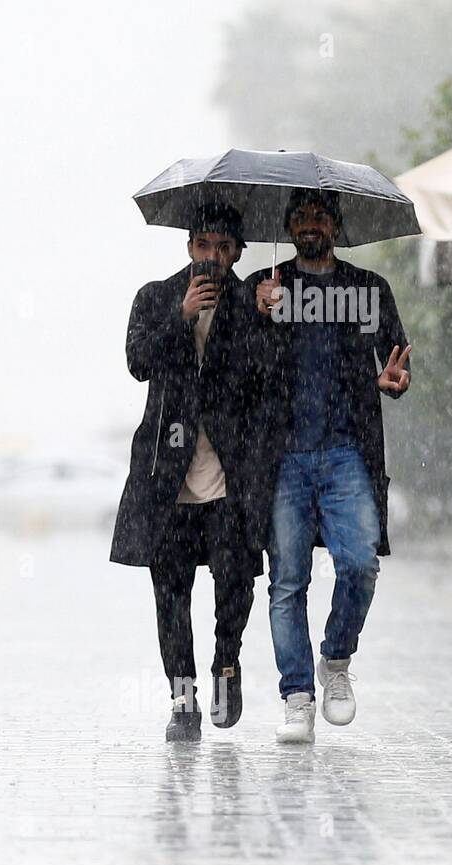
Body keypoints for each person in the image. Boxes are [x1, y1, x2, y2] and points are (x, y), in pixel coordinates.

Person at [248, 188, 412, 744]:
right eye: (299, 216)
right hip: (284, 456)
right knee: (287, 581)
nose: (309, 223)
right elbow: (235, 364)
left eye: (320, 215)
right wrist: (258, 313)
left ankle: (336, 661)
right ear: (288, 226)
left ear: (337, 226)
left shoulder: (369, 289)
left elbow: (395, 362)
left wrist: (394, 383)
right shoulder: (266, 288)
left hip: (347, 452)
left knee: (360, 564)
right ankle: (297, 695)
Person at [110, 203, 265, 742]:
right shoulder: (155, 297)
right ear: (190, 247)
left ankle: (227, 665)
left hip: (229, 475)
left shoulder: (252, 302)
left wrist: (264, 318)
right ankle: (183, 700)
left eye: (225, 248)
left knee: (235, 582)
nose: (214, 258)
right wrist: (181, 316)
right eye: (205, 246)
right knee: (171, 595)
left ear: (239, 252)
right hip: (167, 476)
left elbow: (268, 379)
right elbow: (138, 362)